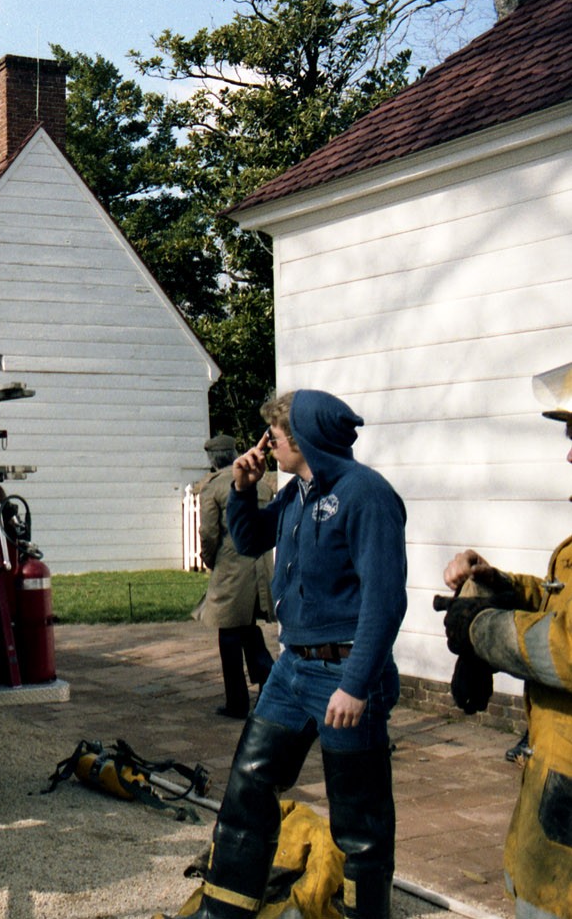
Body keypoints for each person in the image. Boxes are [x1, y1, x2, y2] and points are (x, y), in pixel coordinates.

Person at [185, 390, 407, 919]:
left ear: (303, 440)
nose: (268, 446)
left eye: (274, 438)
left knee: (359, 817)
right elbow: (250, 537)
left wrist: (355, 684)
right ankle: (224, 909)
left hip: (345, 672)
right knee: (249, 785)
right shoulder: (298, 491)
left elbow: (385, 600)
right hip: (292, 669)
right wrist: (242, 487)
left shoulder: (366, 496)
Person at [438, 360, 571, 919]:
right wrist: (496, 582)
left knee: (548, 902)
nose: (568, 454)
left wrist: (479, 628)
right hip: (556, 760)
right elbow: (558, 600)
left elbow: (565, 649)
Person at [193, 434, 276, 719]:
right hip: (262, 564)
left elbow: (208, 533)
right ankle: (269, 687)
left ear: (213, 459)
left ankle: (238, 701)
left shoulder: (213, 487)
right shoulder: (262, 483)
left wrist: (210, 559)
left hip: (232, 564)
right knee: (247, 627)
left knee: (227, 631)